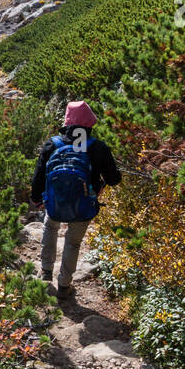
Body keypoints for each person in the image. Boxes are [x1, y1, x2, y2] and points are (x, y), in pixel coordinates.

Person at [29, 101, 121, 298]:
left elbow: (38, 176)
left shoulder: (52, 144)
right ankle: (64, 285)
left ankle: (45, 272)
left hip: (55, 203)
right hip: (84, 205)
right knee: (72, 243)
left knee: (50, 227)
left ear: (67, 121)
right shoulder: (98, 147)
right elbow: (114, 180)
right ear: (89, 123)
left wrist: (37, 199)